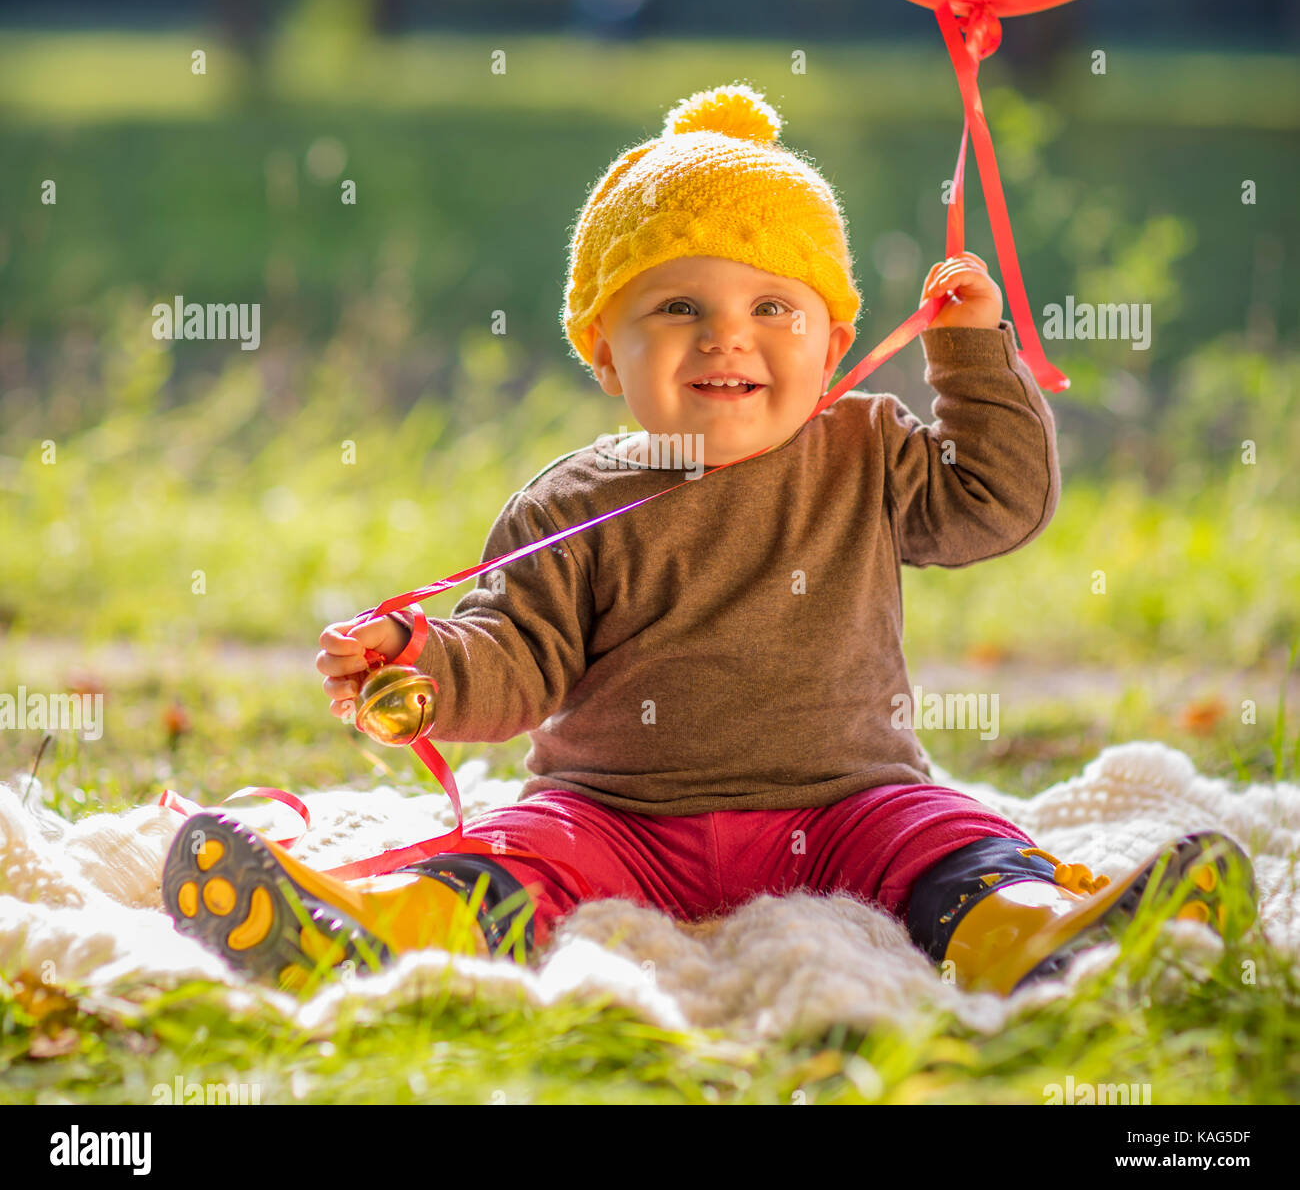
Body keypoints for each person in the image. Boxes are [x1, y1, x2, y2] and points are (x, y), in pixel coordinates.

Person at [164, 83, 1254, 995]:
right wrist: (419, 666)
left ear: (835, 341)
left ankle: (1041, 932)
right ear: (605, 353)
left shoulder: (866, 451)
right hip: (619, 816)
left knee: (947, 839)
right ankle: (378, 924)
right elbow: (510, 657)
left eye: (772, 308)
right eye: (678, 306)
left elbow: (1000, 501)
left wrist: (973, 357)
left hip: (845, 802)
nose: (727, 332)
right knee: (513, 852)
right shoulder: (575, 499)